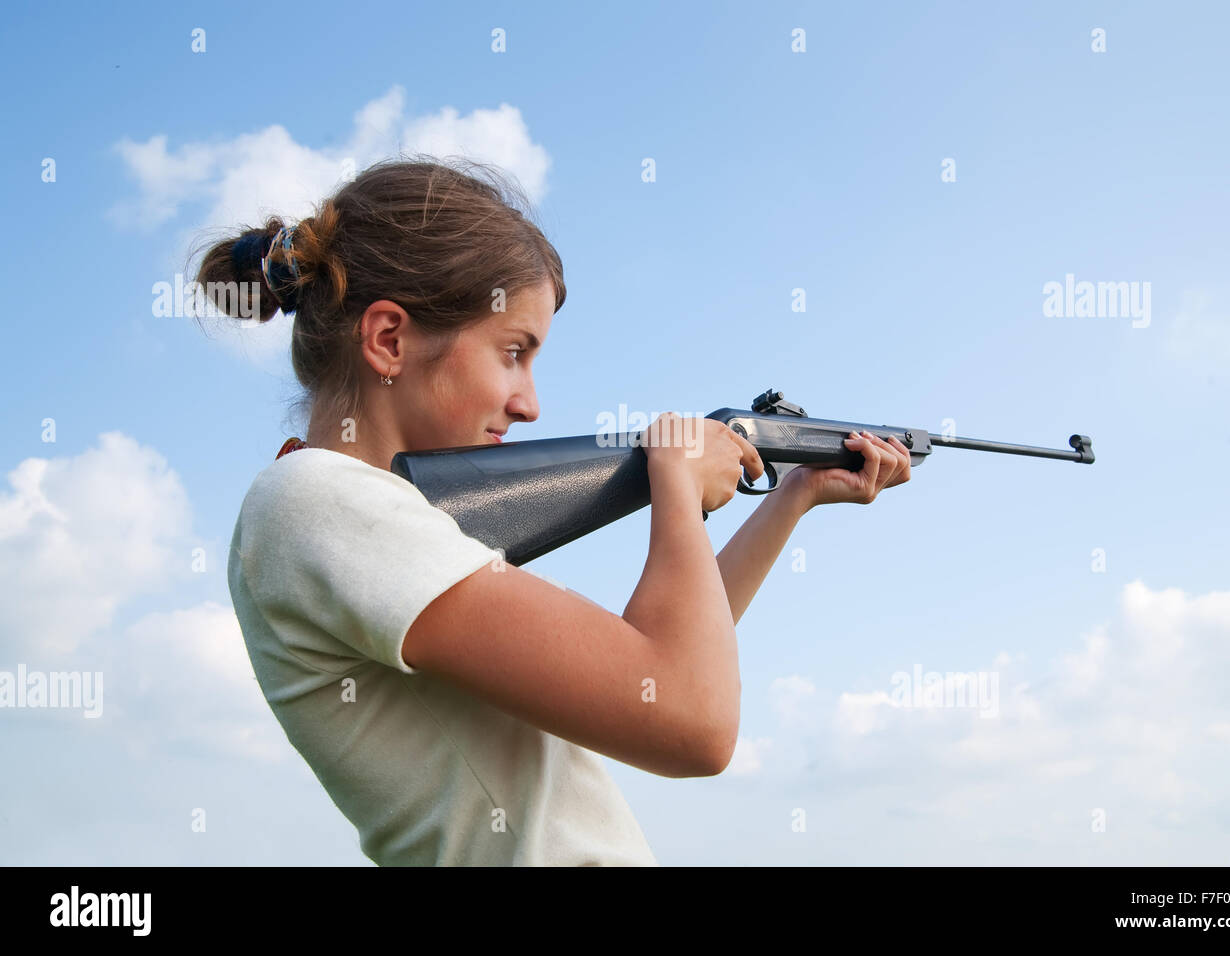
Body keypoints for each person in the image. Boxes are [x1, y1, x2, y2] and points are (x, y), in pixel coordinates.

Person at [199, 156, 912, 866]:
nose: (529, 402)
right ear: (389, 340)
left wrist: (790, 497)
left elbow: (663, 658)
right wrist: (674, 483)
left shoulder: (347, 512)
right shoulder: (318, 501)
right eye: (513, 352)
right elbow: (692, 720)